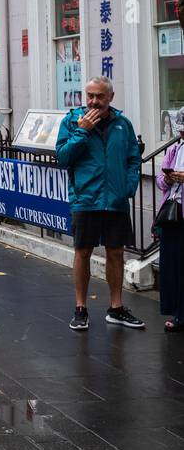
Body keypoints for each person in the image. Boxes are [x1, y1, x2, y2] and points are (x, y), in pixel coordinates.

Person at [56, 77, 145, 331]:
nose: (94, 101)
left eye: (100, 96)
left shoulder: (122, 124)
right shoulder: (72, 122)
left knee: (116, 252)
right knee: (83, 252)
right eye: (90, 95)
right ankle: (80, 308)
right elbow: (62, 157)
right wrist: (82, 131)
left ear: (111, 97)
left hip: (115, 199)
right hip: (86, 198)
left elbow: (133, 158)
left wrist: (128, 187)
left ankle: (116, 308)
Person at [155, 108, 184, 334]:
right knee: (172, 265)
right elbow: (159, 181)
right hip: (173, 213)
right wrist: (167, 177)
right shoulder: (174, 149)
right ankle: (177, 312)